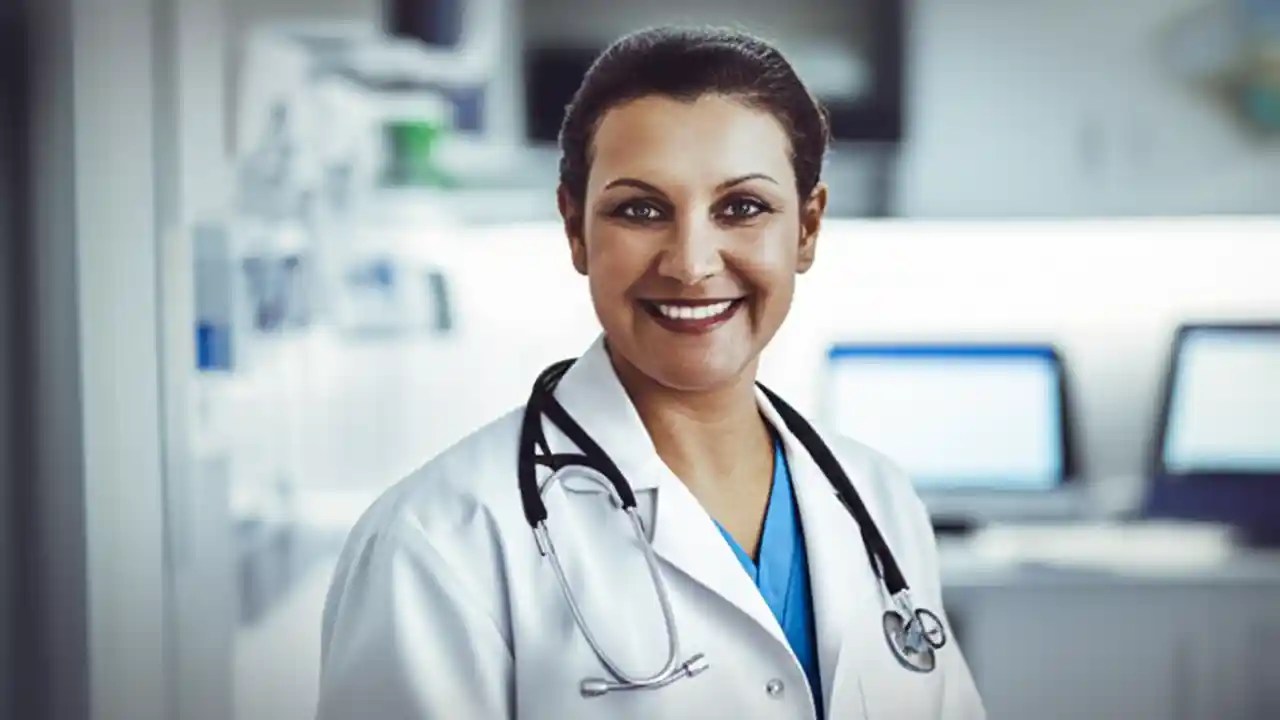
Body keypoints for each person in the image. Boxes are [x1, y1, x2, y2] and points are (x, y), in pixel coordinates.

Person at [316, 26, 986, 720]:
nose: (691, 263)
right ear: (576, 230)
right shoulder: (441, 539)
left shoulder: (877, 500)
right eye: (640, 210)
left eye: (742, 208)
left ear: (808, 229)